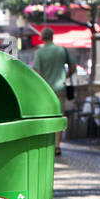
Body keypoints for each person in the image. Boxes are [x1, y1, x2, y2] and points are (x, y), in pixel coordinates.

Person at [32, 27, 74, 155]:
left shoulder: (39, 52)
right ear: (52, 36)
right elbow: (73, 67)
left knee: (45, 116)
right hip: (60, 88)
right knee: (59, 116)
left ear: (42, 38)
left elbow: (36, 72)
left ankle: (46, 144)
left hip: (45, 90)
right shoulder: (62, 50)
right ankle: (57, 145)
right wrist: (65, 77)